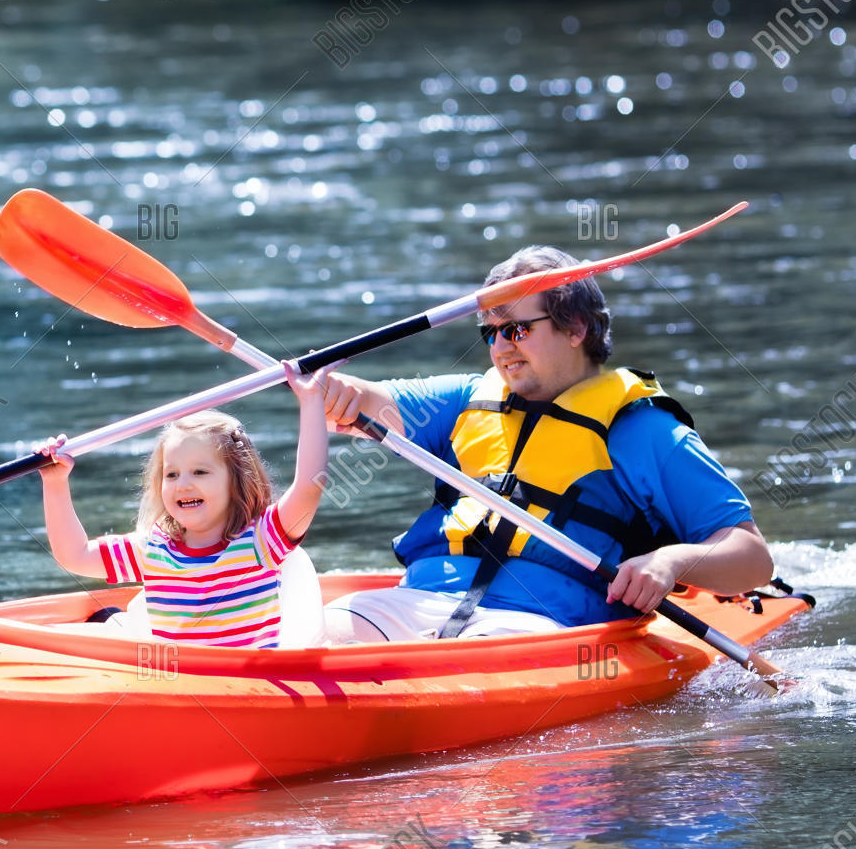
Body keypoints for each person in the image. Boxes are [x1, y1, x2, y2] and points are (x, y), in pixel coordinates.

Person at [316, 244, 774, 643]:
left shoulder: (646, 431)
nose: (500, 348)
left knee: (467, 655)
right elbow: (367, 401)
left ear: (576, 329)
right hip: (419, 600)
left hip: (539, 625)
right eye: (490, 332)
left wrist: (671, 561)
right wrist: (331, 391)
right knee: (309, 637)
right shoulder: (465, 400)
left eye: (516, 330)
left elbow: (752, 559)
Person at [35, 360, 328, 648]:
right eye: (171, 474)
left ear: (236, 480)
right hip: (177, 685)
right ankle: (111, 622)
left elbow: (308, 486)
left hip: (248, 686)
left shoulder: (260, 541)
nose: (183, 484)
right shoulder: (153, 549)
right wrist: (56, 483)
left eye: (200, 472)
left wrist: (311, 400)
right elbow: (74, 555)